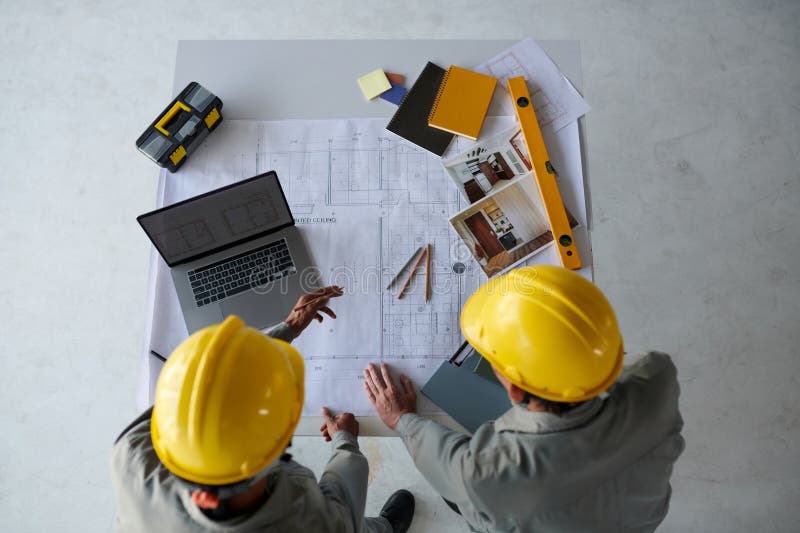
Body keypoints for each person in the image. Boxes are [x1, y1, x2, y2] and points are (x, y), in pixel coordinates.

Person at [363, 266, 685, 532]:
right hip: (634, 518)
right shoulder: (655, 376)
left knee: (465, 501)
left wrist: (401, 419)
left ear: (516, 390)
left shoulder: (486, 473)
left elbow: (446, 462)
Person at [111, 286, 415, 533]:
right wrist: (345, 442)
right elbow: (343, 506)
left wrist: (288, 329)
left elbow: (202, 389)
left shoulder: (133, 452)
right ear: (279, 441)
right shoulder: (308, 522)